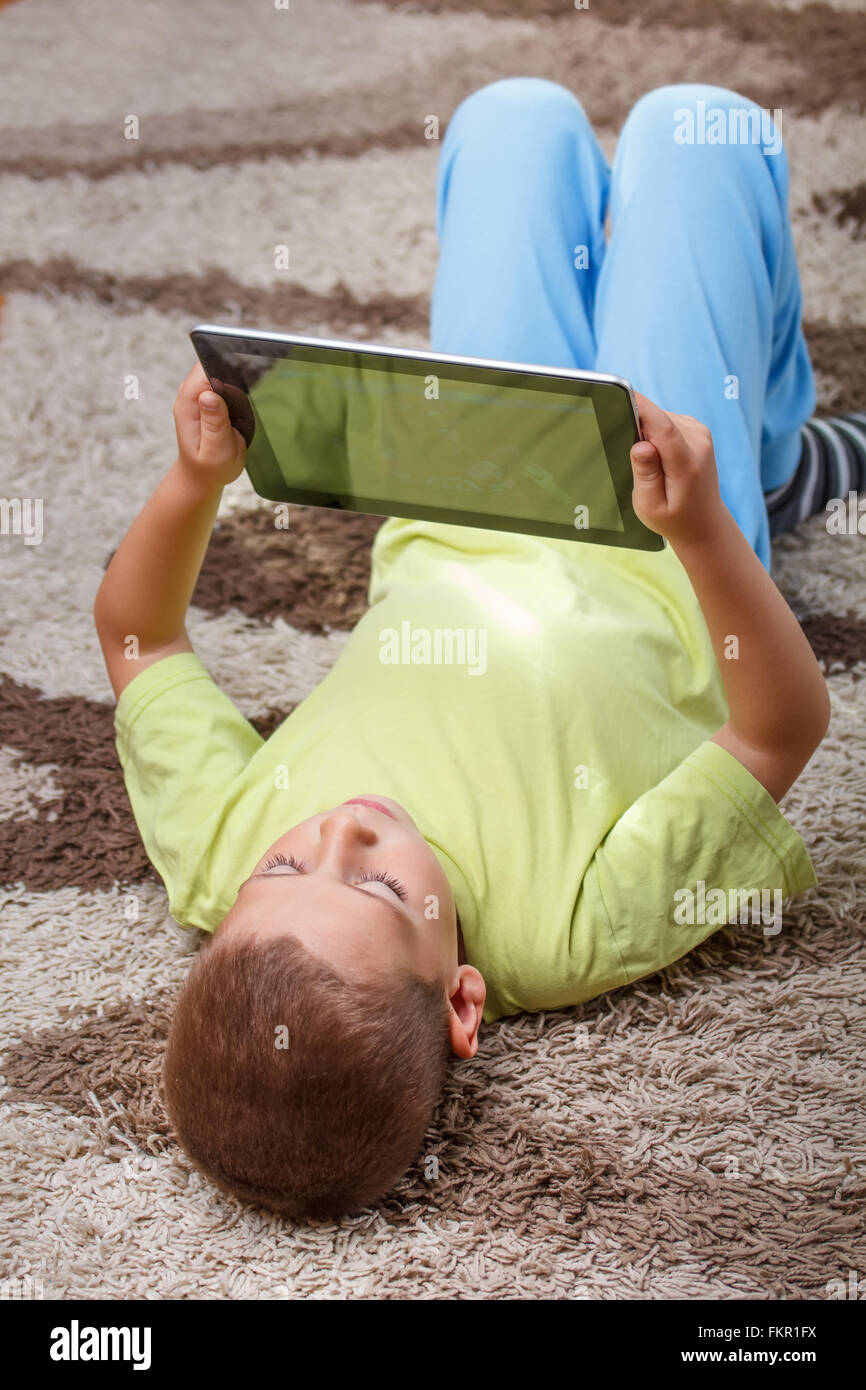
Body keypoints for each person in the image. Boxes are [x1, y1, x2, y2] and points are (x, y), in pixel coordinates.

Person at [95, 80, 855, 1222]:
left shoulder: (211, 854)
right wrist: (700, 521)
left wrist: (194, 482)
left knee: (513, 122)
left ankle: (769, 448)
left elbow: (137, 636)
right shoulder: (568, 932)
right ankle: (763, 458)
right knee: (700, 131)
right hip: (669, 540)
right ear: (463, 1001)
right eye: (380, 882)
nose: (341, 825)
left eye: (285, 868)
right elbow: (777, 729)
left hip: (468, 476)